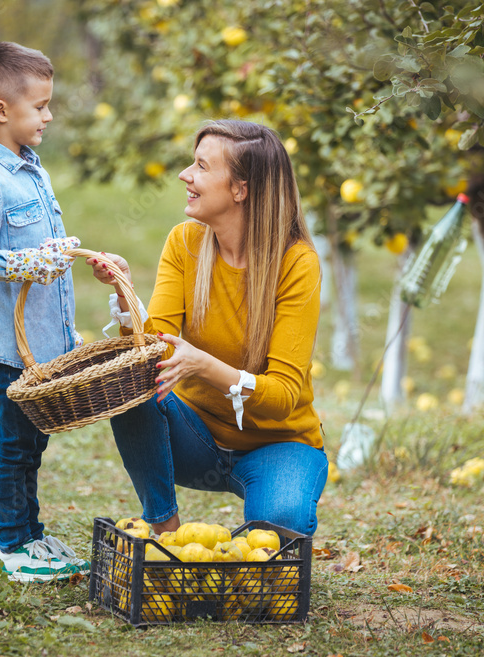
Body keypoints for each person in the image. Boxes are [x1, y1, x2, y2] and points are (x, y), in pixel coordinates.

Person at [89, 119, 327, 538]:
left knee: (281, 526)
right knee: (129, 389)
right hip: (195, 439)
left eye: (201, 166)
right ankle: (165, 535)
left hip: (279, 444)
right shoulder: (185, 243)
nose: (185, 175)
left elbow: (282, 398)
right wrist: (125, 292)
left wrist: (203, 365)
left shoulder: (297, 263)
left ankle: (234, 552)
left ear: (240, 189)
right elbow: (151, 359)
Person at [0, 41, 88, 582]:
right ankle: (13, 545)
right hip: (9, 344)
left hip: (42, 339)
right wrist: (23, 261)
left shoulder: (32, 171)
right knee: (16, 445)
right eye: (41, 106)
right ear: (2, 111)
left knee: (33, 443)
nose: (49, 115)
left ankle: (30, 537)